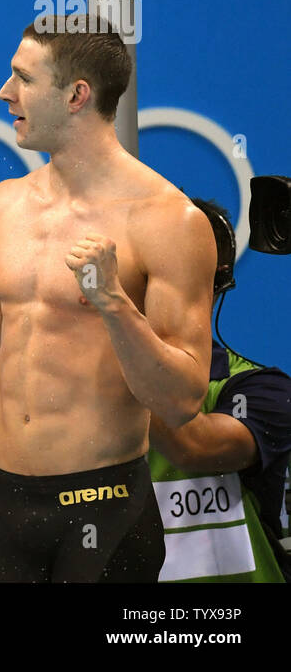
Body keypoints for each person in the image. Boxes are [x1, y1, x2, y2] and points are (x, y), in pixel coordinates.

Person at [0, 14, 214, 583]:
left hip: (108, 512)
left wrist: (114, 304)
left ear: (76, 95)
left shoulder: (167, 222)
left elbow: (182, 399)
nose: (4, 92)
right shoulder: (2, 207)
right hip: (9, 511)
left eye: (23, 79)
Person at [147, 197, 291, 582]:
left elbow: (194, 448)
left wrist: (110, 338)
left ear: (209, 286)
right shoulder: (85, 396)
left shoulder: (263, 391)